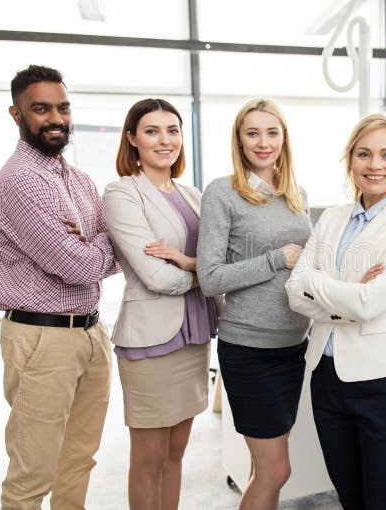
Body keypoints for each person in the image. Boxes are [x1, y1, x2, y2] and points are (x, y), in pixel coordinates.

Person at [286, 114, 386, 510]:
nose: (375, 165)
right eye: (364, 154)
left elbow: (371, 302)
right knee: (350, 497)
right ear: (350, 160)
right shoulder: (332, 217)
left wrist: (317, 281)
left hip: (384, 381)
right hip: (327, 378)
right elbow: (293, 292)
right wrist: (349, 292)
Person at [0, 65, 119, 509]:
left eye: (62, 108)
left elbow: (109, 243)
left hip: (90, 332)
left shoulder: (78, 179)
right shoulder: (20, 181)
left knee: (78, 461)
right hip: (41, 339)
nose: (55, 119)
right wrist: (94, 246)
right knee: (33, 473)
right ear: (17, 114)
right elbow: (77, 264)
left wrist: (94, 244)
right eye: (40, 109)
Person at [102, 99, 219, 510]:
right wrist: (204, 275)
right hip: (151, 342)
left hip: (194, 336)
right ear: (132, 139)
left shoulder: (193, 195)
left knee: (175, 454)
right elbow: (154, 275)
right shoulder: (122, 193)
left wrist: (192, 265)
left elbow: (218, 261)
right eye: (152, 131)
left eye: (172, 130)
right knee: (149, 459)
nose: (164, 140)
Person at [197, 99, 311, 510]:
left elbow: (308, 261)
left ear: (284, 139)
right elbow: (209, 277)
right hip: (249, 349)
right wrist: (276, 258)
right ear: (239, 140)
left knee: (262, 469)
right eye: (252, 133)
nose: (263, 143)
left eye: (272, 132)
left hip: (292, 345)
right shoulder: (222, 193)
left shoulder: (296, 195)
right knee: (276, 470)